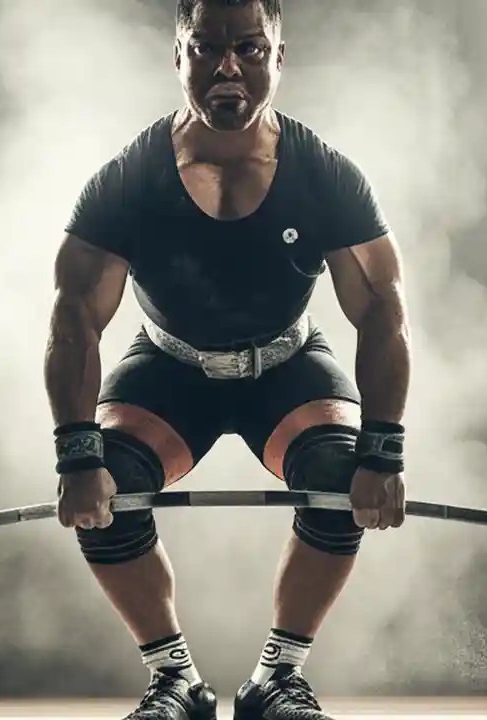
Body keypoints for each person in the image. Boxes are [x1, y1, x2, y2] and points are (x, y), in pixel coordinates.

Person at [44, 1, 410, 718]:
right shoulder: (128, 179)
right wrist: (74, 455)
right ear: (177, 56)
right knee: (108, 492)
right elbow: (75, 316)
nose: (228, 67)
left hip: (289, 365)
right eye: (206, 48)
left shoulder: (326, 174)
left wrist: (385, 452)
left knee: (340, 482)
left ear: (280, 55)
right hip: (170, 370)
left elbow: (381, 310)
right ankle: (173, 679)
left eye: (248, 46)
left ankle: (277, 676)